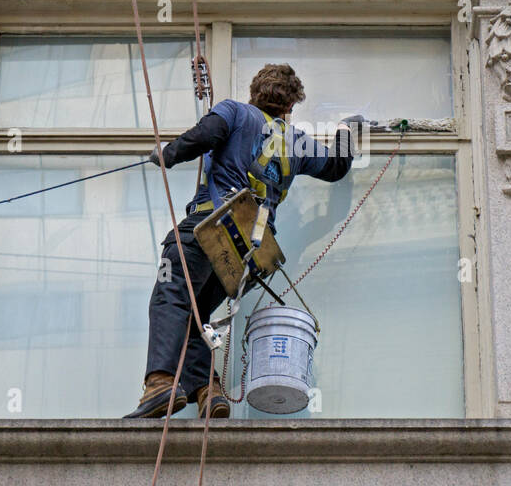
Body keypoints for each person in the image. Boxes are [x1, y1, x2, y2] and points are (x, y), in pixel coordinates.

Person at [125, 63, 361, 419]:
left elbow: (205, 135)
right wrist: (347, 128)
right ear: (289, 107)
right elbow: (336, 167)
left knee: (171, 293)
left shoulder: (234, 111)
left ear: (255, 94)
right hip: (253, 252)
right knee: (195, 314)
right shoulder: (297, 141)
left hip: (212, 224)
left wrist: (166, 154)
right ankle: (210, 391)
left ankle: (161, 382)